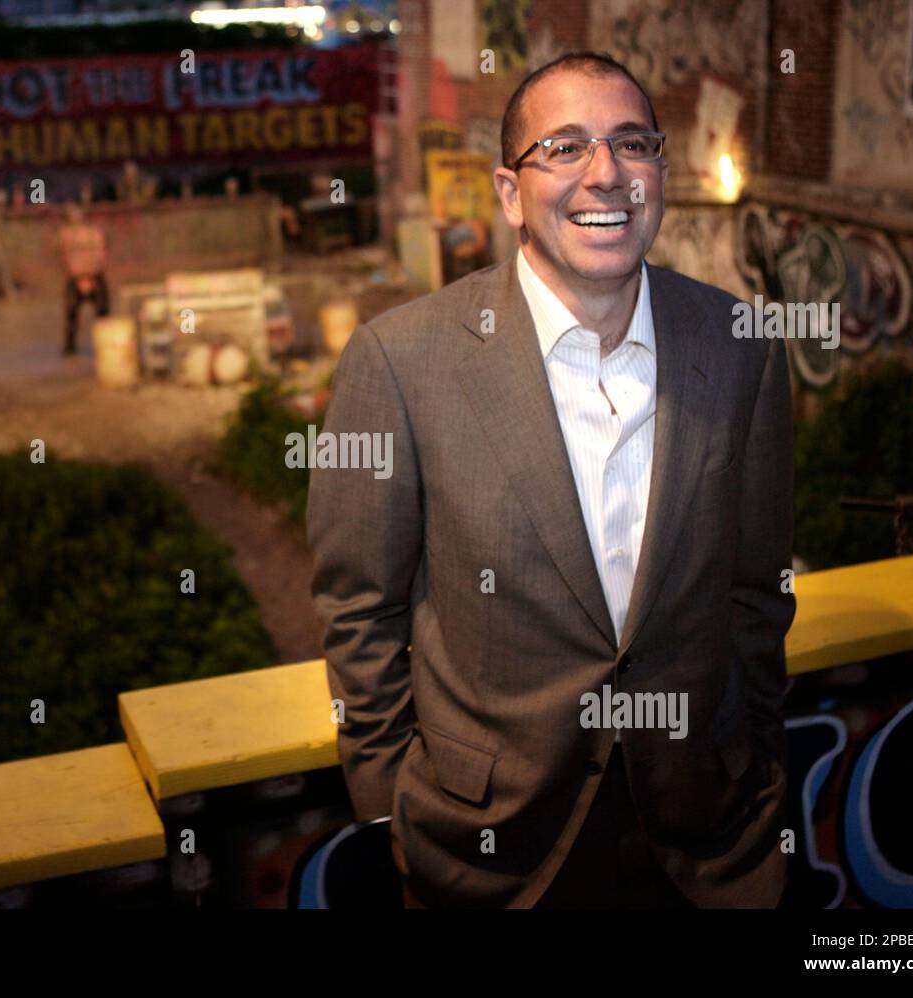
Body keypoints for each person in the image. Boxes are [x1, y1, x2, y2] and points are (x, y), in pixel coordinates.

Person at [307, 52, 795, 909]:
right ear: (509, 193)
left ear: (660, 175)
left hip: (705, 844)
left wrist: (754, 758)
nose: (605, 174)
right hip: (487, 854)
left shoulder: (740, 342)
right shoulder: (400, 362)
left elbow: (757, 593)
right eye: (564, 149)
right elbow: (360, 611)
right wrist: (391, 808)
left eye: (632, 144)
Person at [56, 201, 109, 355]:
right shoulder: (65, 235)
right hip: (75, 277)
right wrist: (78, 277)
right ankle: (70, 348)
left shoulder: (95, 233)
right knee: (71, 313)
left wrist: (91, 277)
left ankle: (105, 344)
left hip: (94, 276)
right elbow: (64, 258)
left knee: (103, 314)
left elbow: (101, 254)